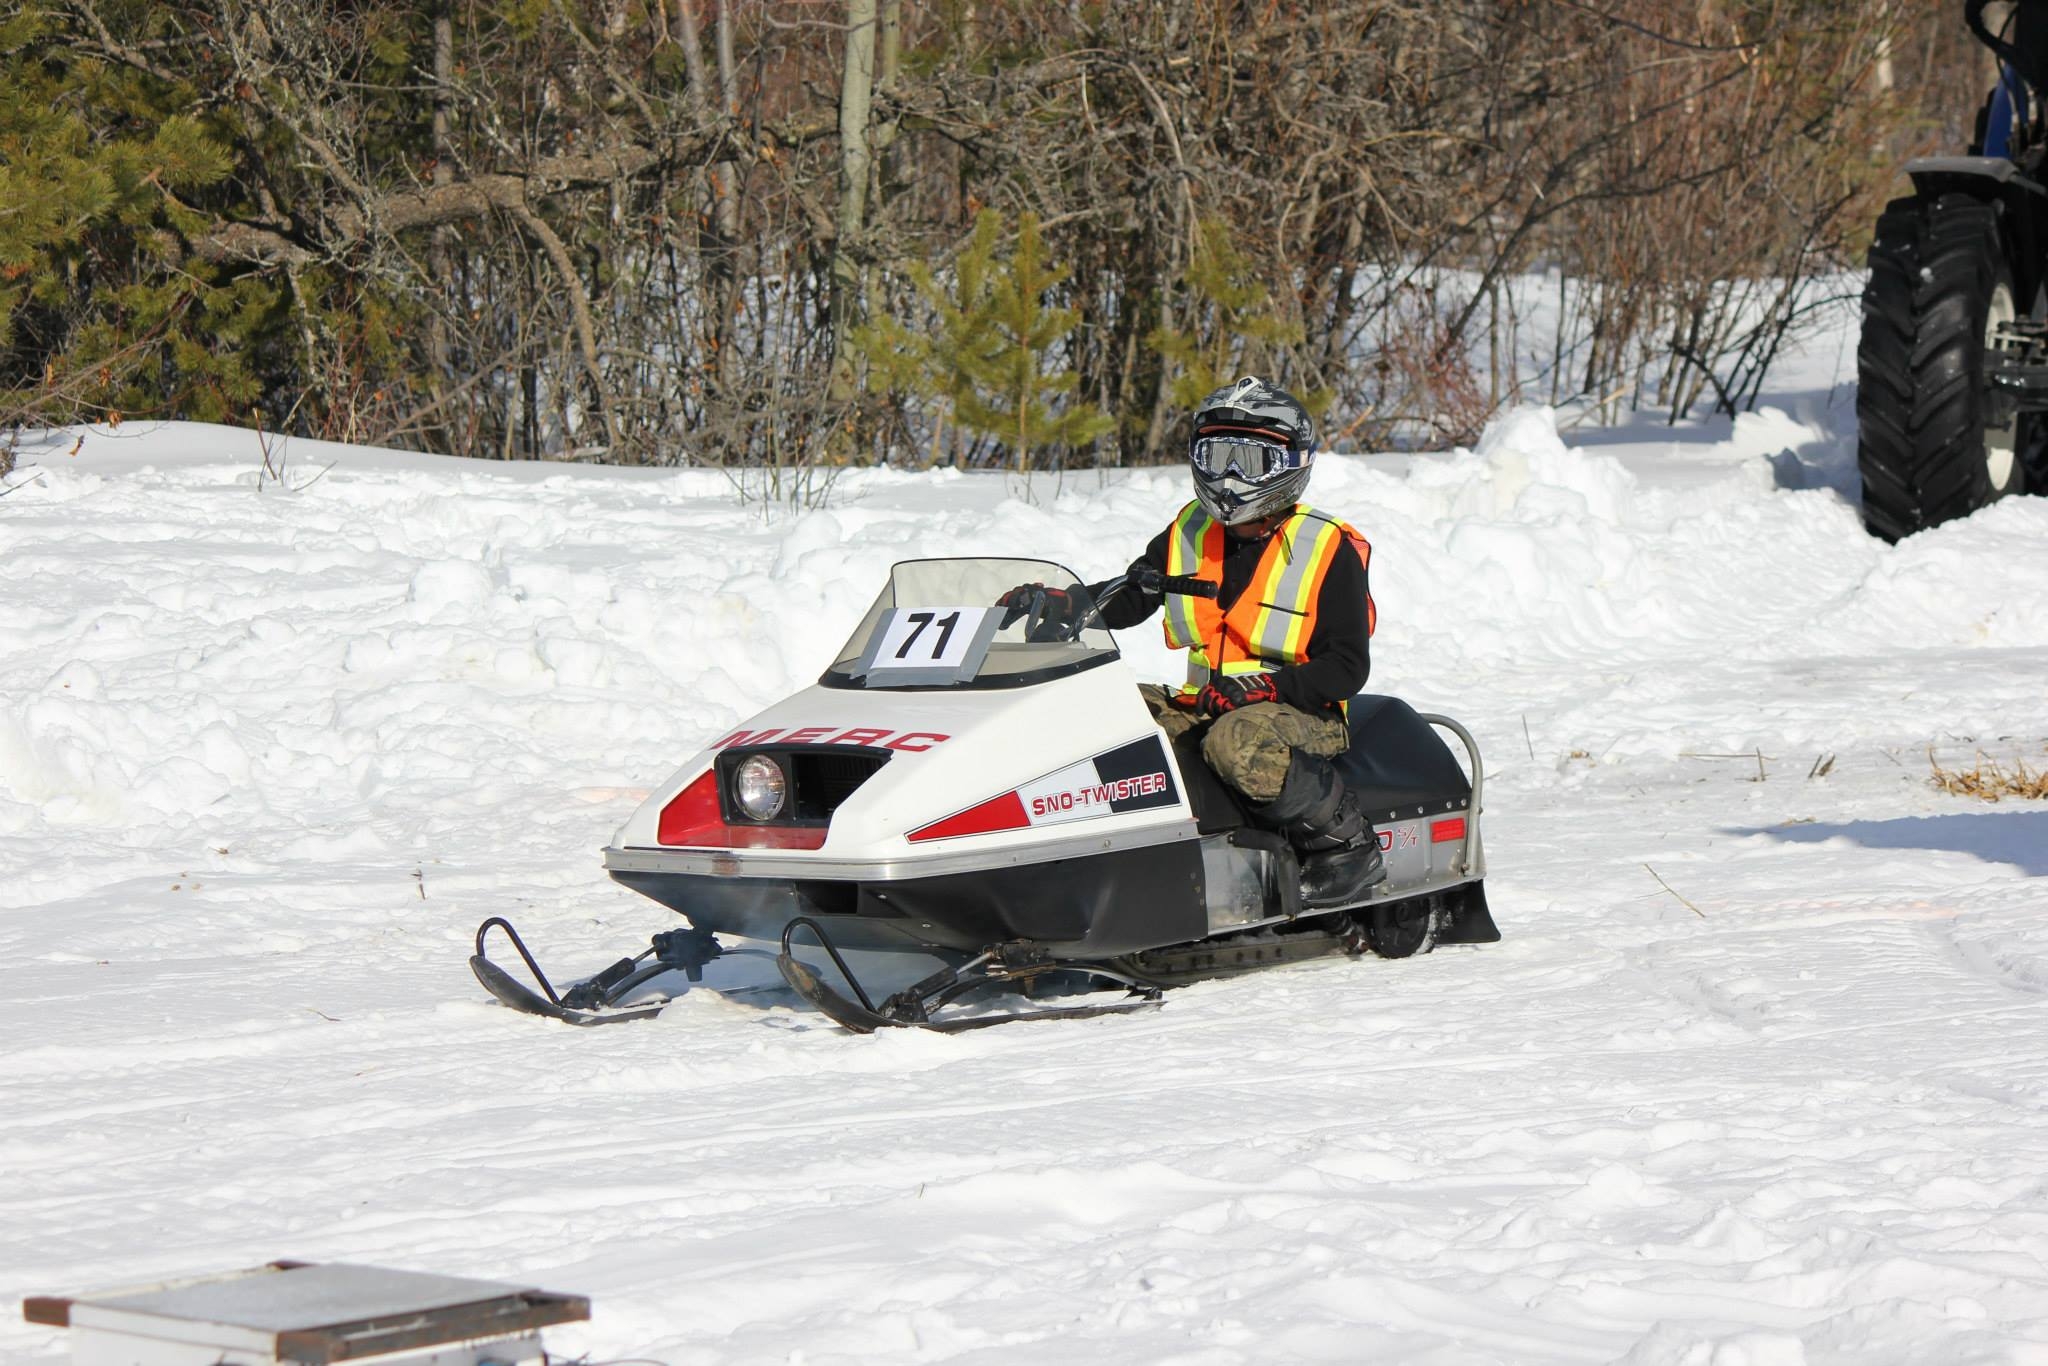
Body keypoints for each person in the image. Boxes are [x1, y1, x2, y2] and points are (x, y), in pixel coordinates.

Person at [1004, 376, 1383, 907]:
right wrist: (1067, 603)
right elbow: (1134, 595)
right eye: (1218, 455)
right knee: (1094, 709)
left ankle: (1346, 848)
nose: (1229, 477)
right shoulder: (1190, 529)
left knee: (1235, 741)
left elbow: (1347, 667)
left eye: (1249, 461)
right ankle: (1111, 851)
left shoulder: (1327, 547)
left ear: (1290, 465)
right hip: (1207, 701)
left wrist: (1263, 687)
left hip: (1303, 709)